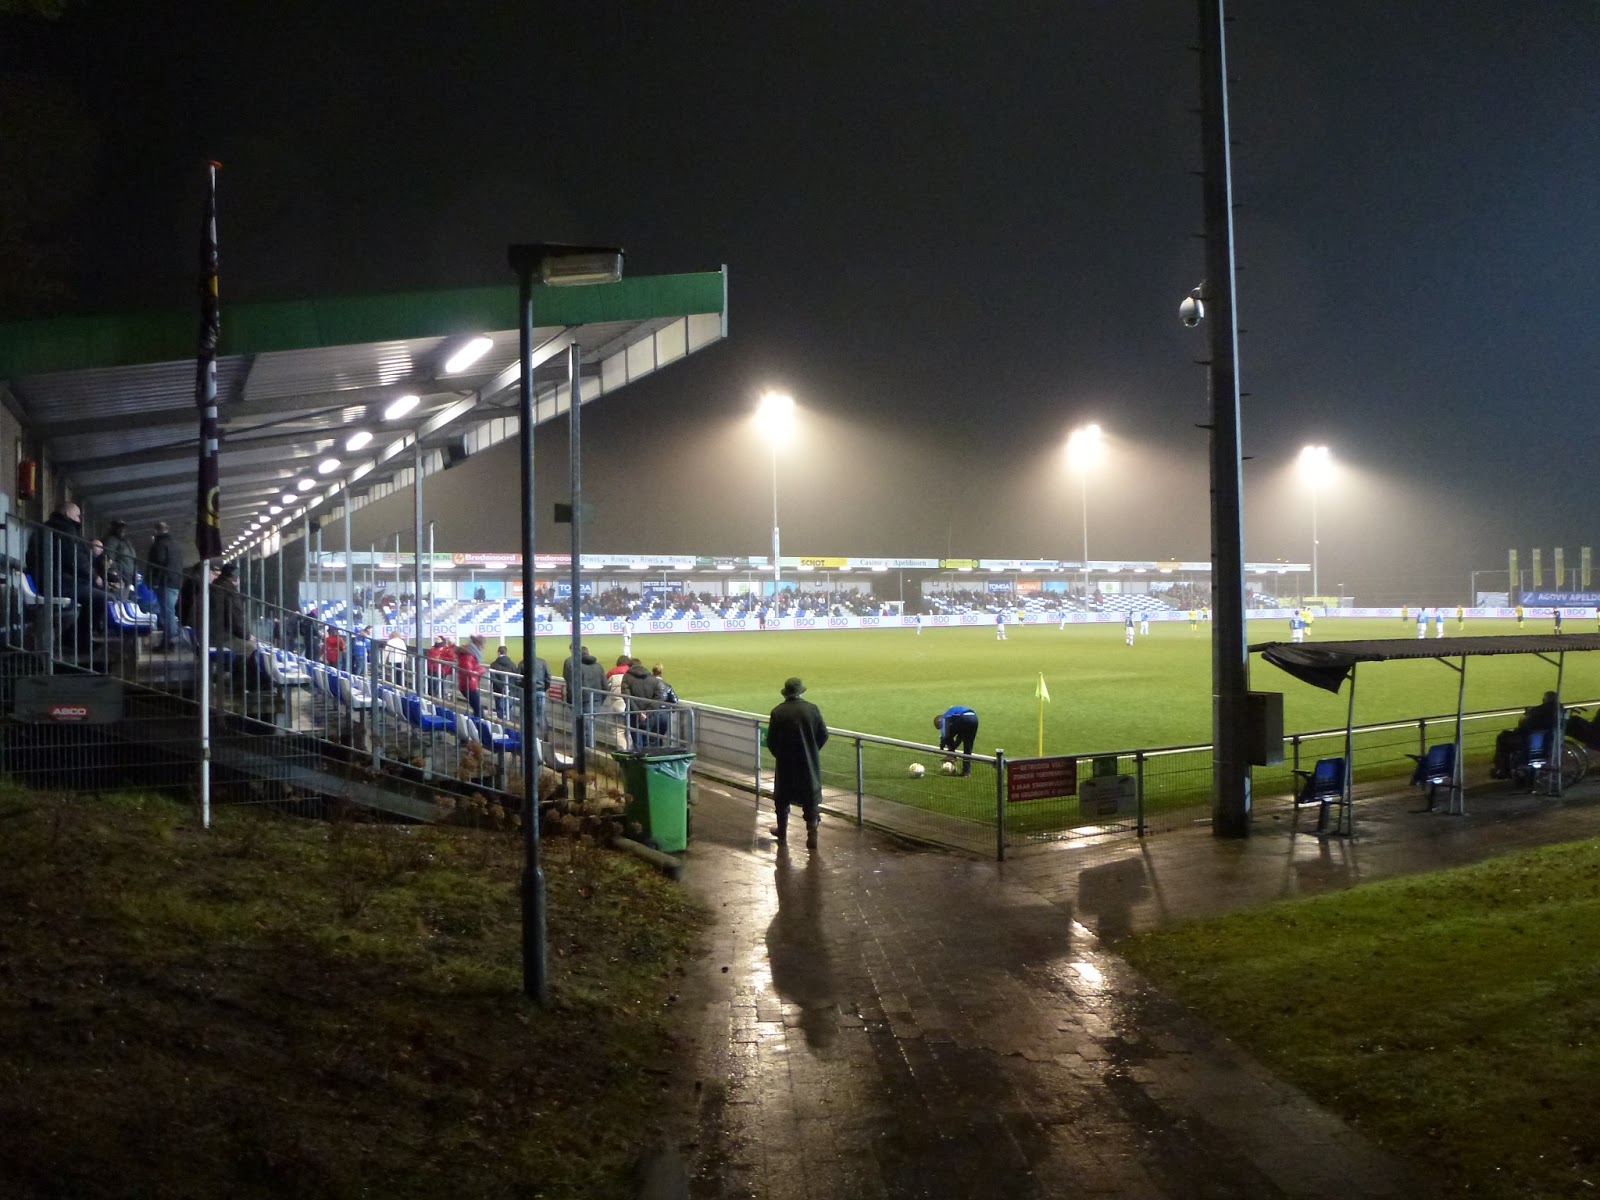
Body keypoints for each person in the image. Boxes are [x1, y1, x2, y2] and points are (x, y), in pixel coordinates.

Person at [767, 677, 828, 849]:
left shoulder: (777, 712)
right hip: (807, 763)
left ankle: (782, 830)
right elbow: (823, 735)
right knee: (810, 799)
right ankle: (812, 832)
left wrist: (781, 755)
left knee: (782, 798)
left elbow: (771, 741)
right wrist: (812, 750)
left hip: (786, 763)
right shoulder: (812, 709)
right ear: (800, 692)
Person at [1493, 691, 1600, 778]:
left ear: (1544, 700)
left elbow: (1525, 725)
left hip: (1535, 740)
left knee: (1503, 738)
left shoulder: (1540, 711)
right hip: (1546, 737)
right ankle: (1504, 767)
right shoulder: (1558, 710)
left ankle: (1503, 768)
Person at [145, 520, 181, 648]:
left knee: (167, 613)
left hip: (164, 582)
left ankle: (169, 642)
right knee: (170, 612)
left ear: (156, 531)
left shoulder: (159, 544)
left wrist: (153, 581)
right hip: (175, 582)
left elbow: (158, 564)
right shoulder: (175, 545)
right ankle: (170, 640)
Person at [934, 704, 980, 775]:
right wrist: (952, 748)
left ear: (939, 721)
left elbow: (945, 735)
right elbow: (960, 737)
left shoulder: (944, 717)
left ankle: (951, 756)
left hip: (964, 718)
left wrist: (942, 746)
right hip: (974, 719)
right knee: (968, 746)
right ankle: (966, 772)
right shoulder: (953, 717)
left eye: (939, 727)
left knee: (948, 735)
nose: (941, 728)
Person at [102, 519, 138, 599]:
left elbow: (133, 560)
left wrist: (134, 577)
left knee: (123, 602)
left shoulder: (127, 542)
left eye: (124, 528)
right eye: (120, 528)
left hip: (127, 577)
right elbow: (108, 558)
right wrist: (117, 576)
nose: (123, 530)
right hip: (119, 577)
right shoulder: (111, 540)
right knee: (117, 601)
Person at [456, 634, 486, 717]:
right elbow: (467, 671)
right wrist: (481, 670)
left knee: (477, 709)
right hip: (468, 685)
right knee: (479, 711)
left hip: (467, 684)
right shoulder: (468, 655)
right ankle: (477, 728)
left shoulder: (469, 652)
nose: (484, 647)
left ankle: (475, 727)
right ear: (479, 644)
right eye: (483, 644)